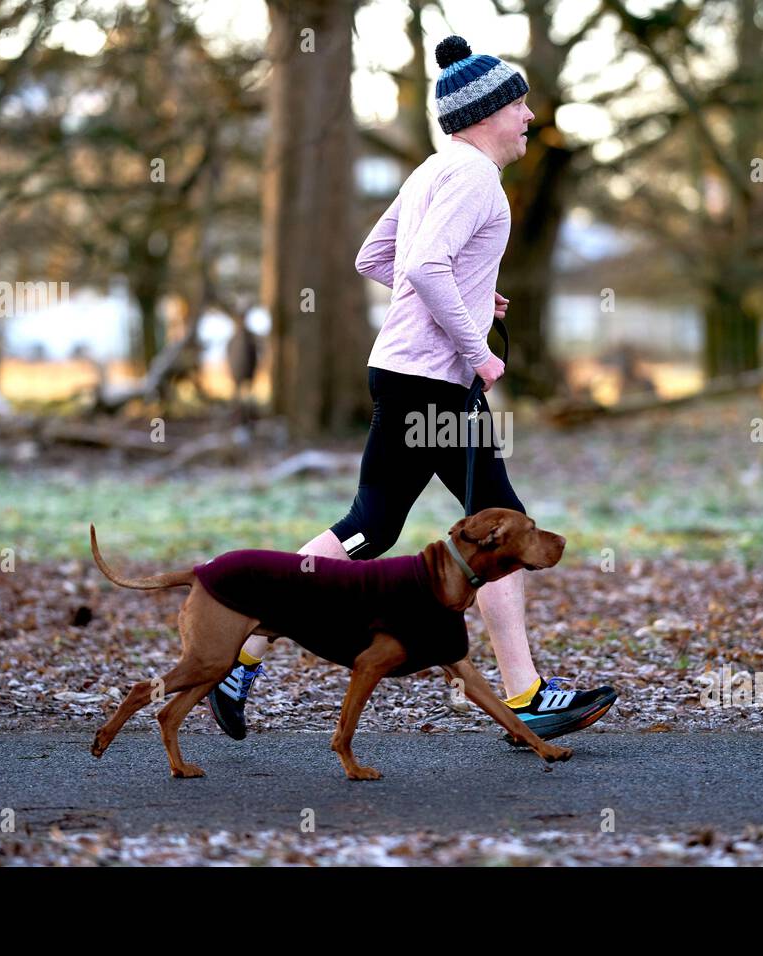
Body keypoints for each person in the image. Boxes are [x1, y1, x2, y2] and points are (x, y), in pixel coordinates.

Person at [208, 34, 617, 745]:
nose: (528, 117)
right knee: (508, 529)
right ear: (487, 113)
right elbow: (423, 265)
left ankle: (242, 651)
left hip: (402, 372)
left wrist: (469, 297)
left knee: (368, 525)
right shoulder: (476, 179)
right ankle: (525, 695)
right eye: (519, 104)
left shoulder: (433, 170)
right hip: (437, 379)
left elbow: (379, 258)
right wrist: (475, 349)